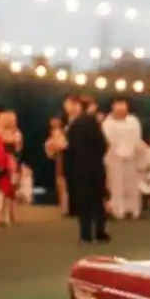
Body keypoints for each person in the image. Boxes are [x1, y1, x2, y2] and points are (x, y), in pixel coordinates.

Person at [66, 95, 109, 243]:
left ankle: (85, 234)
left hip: (79, 168)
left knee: (83, 201)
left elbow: (70, 149)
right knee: (98, 200)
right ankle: (100, 231)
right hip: (96, 166)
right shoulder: (94, 123)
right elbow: (103, 145)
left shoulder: (74, 125)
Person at [102, 97, 143, 219]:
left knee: (131, 184)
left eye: (123, 107)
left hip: (131, 155)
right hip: (114, 157)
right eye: (118, 107)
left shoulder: (133, 121)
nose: (121, 110)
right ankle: (117, 210)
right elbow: (108, 139)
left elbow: (137, 137)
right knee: (117, 185)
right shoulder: (107, 123)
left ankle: (133, 210)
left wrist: (132, 149)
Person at [44, 117, 69, 214]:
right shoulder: (50, 139)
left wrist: (58, 146)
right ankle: (62, 205)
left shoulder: (66, 134)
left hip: (65, 161)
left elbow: (63, 145)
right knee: (60, 184)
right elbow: (49, 151)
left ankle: (65, 207)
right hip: (58, 162)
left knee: (63, 184)